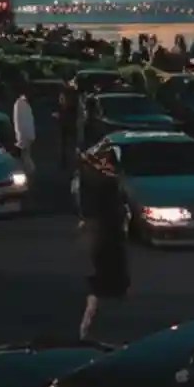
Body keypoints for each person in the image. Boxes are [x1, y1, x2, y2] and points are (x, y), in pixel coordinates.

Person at [78, 153, 130, 341]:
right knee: (101, 290)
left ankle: (88, 329)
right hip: (106, 244)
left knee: (99, 291)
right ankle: (88, 330)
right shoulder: (104, 186)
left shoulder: (97, 182)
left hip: (106, 244)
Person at [12, 84, 36, 176]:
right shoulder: (20, 104)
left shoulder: (25, 104)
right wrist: (20, 137)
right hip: (23, 136)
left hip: (27, 136)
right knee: (25, 158)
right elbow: (19, 121)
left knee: (26, 157)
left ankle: (27, 174)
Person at [57, 84, 79, 169]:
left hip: (64, 122)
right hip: (71, 122)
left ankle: (64, 162)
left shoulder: (64, 95)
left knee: (64, 143)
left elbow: (61, 105)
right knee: (71, 143)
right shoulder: (74, 97)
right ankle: (72, 161)